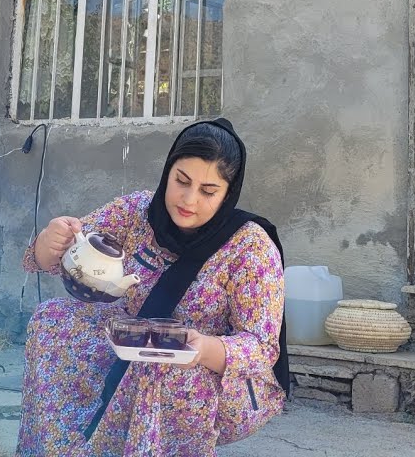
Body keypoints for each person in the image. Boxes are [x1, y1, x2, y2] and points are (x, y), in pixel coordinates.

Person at [16, 119, 287, 456]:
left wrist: (203, 348)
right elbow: (69, 250)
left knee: (156, 369)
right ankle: (63, 448)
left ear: (227, 194)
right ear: (167, 172)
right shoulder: (138, 212)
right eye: (181, 181)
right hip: (135, 341)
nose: (189, 200)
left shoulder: (249, 247)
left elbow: (262, 348)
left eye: (208, 191)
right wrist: (49, 242)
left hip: (217, 371)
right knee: (52, 320)